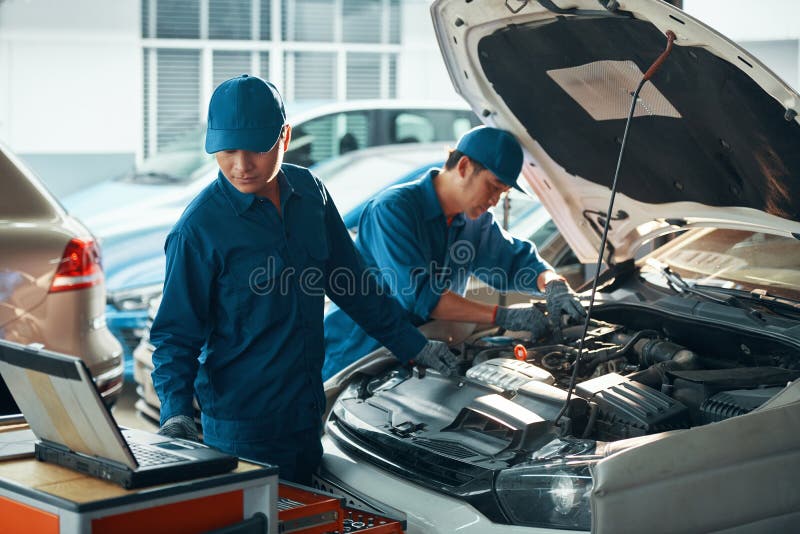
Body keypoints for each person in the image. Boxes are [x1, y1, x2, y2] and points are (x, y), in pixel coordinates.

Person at [149, 75, 457, 484]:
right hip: (242, 427)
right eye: (226, 151)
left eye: (256, 148)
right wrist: (175, 415)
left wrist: (415, 346)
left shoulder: (311, 193)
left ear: (285, 136)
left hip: (308, 409)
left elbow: (354, 285)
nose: (241, 166)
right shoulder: (198, 230)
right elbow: (174, 336)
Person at [323, 126, 586, 380]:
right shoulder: (393, 210)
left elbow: (517, 262)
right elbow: (422, 297)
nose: (495, 200)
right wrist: (505, 316)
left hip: (422, 353)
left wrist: (553, 284)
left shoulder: (475, 222)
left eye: (503, 193)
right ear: (463, 167)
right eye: (493, 187)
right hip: (359, 355)